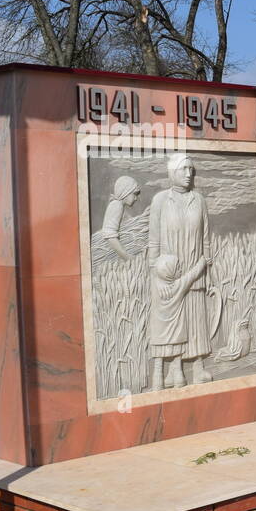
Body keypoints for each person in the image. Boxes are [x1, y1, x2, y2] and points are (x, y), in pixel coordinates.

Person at [147, 152, 213, 390]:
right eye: (183, 169)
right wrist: (154, 271)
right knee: (174, 321)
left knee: (196, 318)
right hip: (170, 272)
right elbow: (153, 239)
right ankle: (175, 369)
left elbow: (206, 240)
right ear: (172, 173)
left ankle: (197, 367)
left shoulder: (199, 200)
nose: (189, 174)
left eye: (191, 170)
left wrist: (210, 276)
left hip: (195, 268)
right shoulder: (160, 200)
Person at [149, 253, 210, 388]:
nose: (181, 269)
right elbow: (193, 274)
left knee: (158, 365)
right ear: (169, 273)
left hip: (159, 335)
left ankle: (157, 384)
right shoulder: (179, 285)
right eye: (178, 268)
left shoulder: (155, 286)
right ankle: (179, 380)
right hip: (177, 334)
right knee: (177, 362)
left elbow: (153, 270)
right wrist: (203, 260)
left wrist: (160, 279)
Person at [101, 175, 140, 260]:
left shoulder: (119, 205)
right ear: (126, 192)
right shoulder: (117, 205)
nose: (136, 198)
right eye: (135, 194)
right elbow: (110, 235)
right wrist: (126, 256)